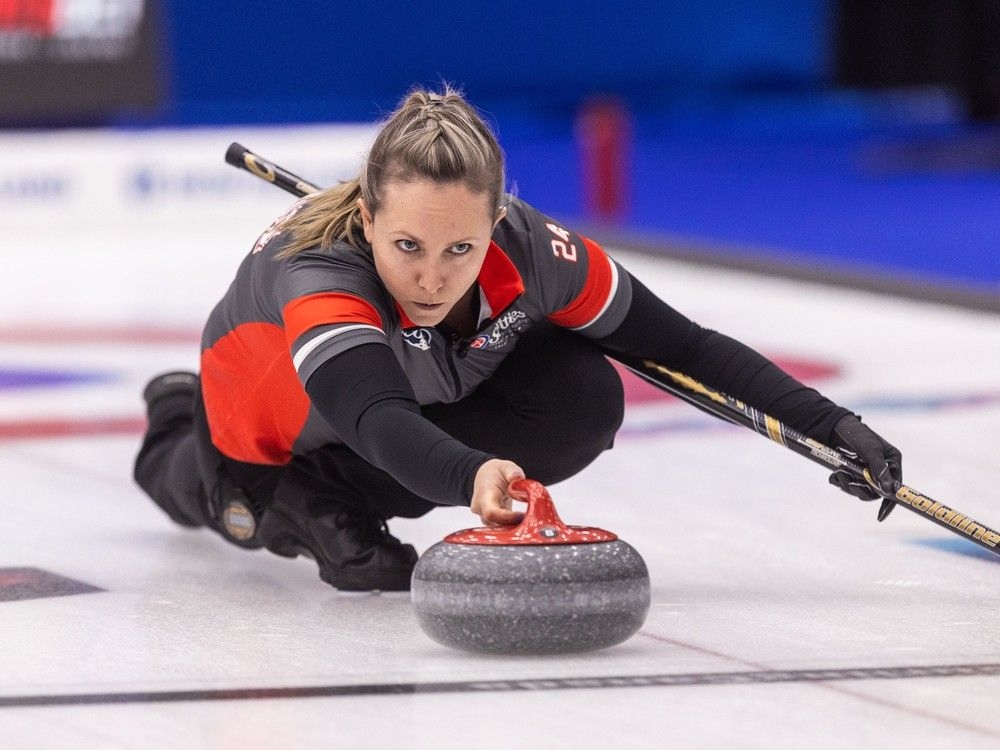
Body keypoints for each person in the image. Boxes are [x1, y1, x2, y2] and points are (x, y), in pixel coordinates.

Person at [134, 86, 902, 592]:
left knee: (582, 394)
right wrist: (471, 475)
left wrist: (832, 426)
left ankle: (336, 495)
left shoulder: (537, 252)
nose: (432, 278)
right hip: (268, 426)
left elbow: (687, 350)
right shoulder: (318, 277)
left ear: (497, 222)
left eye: (458, 250)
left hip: (412, 391)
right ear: (367, 219)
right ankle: (177, 416)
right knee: (228, 503)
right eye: (407, 247)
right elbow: (375, 418)